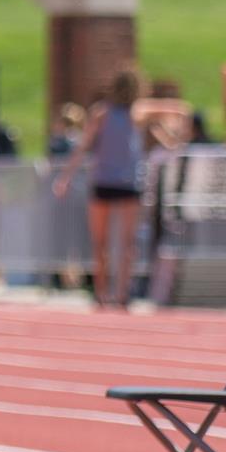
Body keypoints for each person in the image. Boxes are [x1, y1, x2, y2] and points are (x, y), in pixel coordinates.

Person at [53, 69, 151, 308]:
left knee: (102, 242)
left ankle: (103, 292)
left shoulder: (103, 113)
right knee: (125, 243)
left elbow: (82, 147)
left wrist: (65, 177)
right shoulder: (135, 113)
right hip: (125, 182)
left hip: (107, 181)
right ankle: (120, 293)